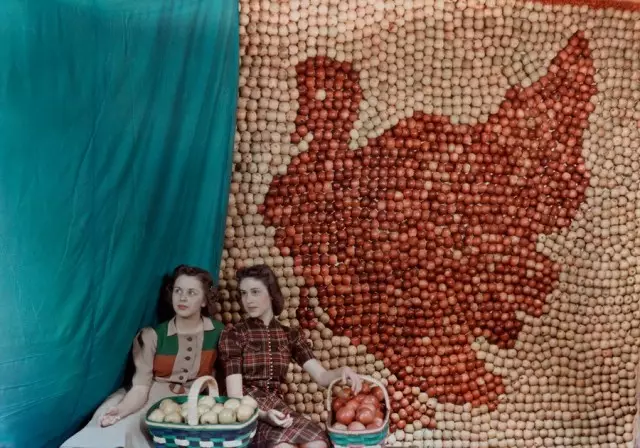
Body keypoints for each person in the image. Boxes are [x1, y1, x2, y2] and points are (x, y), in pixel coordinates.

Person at [63, 264, 223, 448]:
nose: (183, 298)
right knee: (110, 422)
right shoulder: (153, 335)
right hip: (145, 394)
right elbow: (140, 388)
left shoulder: (219, 332)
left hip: (188, 403)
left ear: (204, 301)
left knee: (136, 428)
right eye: (178, 290)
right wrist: (121, 410)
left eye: (192, 293)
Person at [219, 264, 362, 448]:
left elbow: (321, 376)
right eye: (244, 293)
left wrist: (343, 370)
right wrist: (263, 414)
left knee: (318, 443)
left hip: (277, 407)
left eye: (255, 292)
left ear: (271, 293)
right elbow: (235, 396)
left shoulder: (290, 335)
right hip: (247, 411)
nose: (248, 300)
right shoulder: (234, 334)